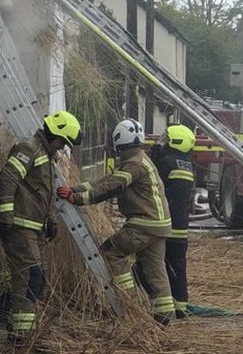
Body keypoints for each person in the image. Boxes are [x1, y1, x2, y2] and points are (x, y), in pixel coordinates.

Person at [57, 118, 174, 325]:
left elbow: (112, 186)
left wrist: (78, 199)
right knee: (155, 272)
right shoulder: (139, 159)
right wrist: (75, 189)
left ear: (118, 140)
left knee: (111, 253)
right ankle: (163, 318)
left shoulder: (133, 164)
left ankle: (130, 303)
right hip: (159, 226)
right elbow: (105, 180)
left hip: (143, 225)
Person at [0, 111, 82, 339]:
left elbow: (43, 193)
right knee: (31, 277)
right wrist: (5, 213)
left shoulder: (45, 155)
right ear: (54, 134)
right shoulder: (29, 148)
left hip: (32, 227)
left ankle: (15, 324)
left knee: (35, 277)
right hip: (19, 226)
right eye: (62, 142)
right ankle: (21, 338)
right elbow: (7, 178)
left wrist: (51, 219)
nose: (62, 148)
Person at [150, 124, 196, 318]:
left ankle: (160, 306)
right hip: (181, 226)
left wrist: (153, 156)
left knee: (157, 265)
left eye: (166, 139)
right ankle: (180, 307)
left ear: (175, 141)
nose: (163, 142)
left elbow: (153, 183)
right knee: (177, 267)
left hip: (166, 224)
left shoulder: (166, 162)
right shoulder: (187, 164)